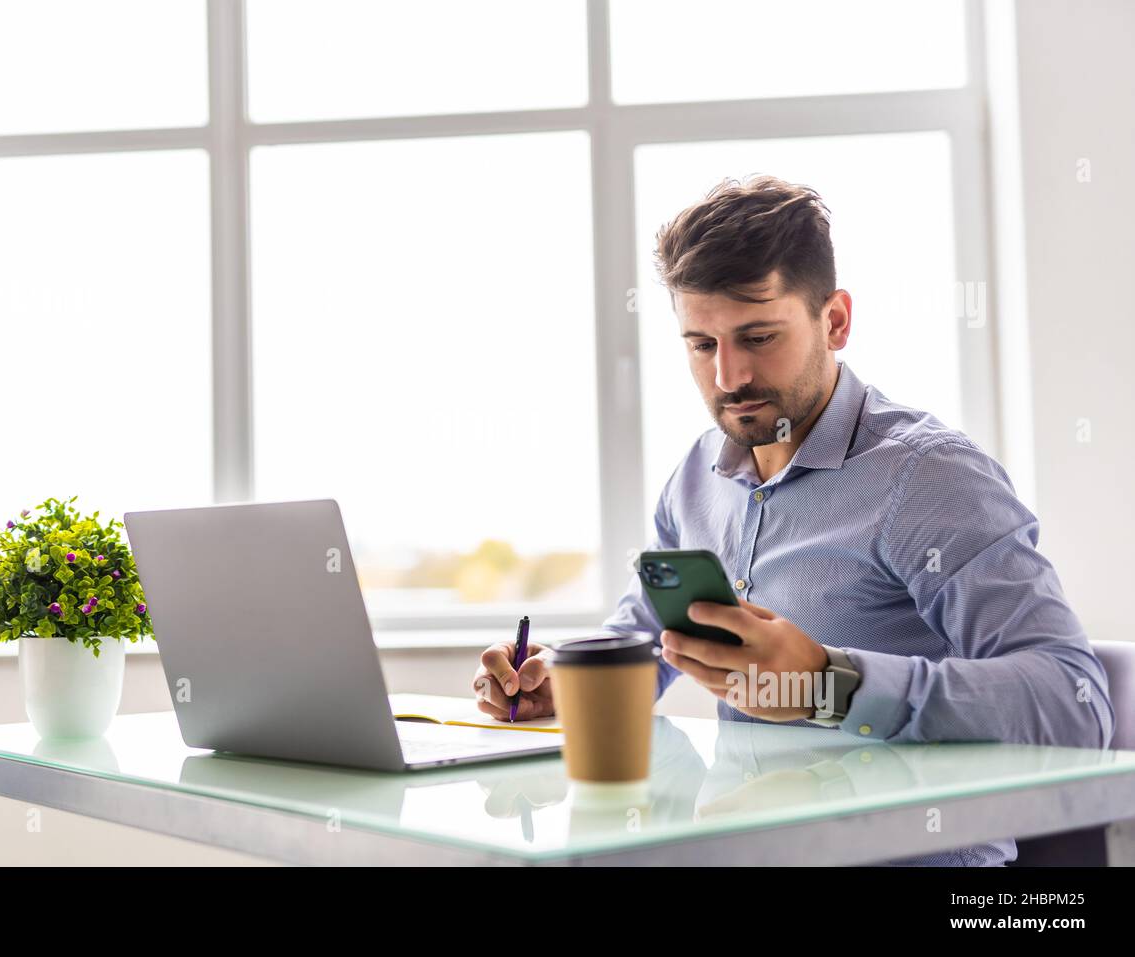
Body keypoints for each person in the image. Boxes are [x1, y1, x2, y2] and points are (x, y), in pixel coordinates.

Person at [470, 174, 1114, 866]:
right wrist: (559, 685)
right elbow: (652, 643)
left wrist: (828, 683)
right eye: (702, 344)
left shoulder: (929, 477)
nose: (728, 377)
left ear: (834, 320)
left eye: (757, 336)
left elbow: (1076, 703)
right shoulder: (696, 477)